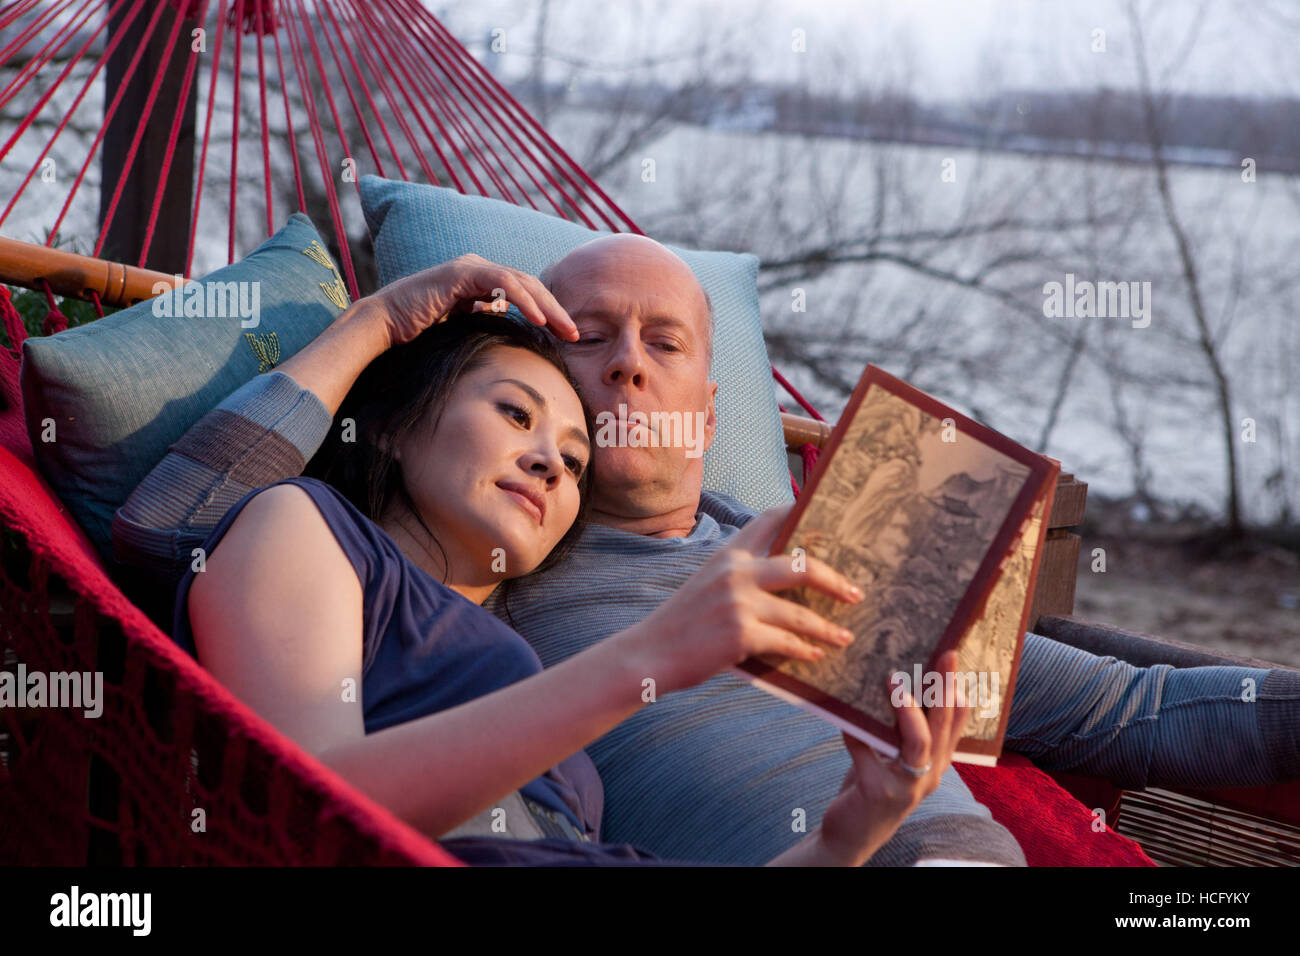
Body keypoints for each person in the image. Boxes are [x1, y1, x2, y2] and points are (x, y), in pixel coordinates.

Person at [116, 245, 1300, 866]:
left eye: (663, 339)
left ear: (708, 393)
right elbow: (189, 529)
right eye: (582, 342)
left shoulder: (830, 541)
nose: (626, 362)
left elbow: (1134, 710)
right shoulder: (482, 565)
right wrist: (388, 316)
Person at [146, 302, 972, 865]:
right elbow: (299, 807)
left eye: (575, 461)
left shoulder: (528, 647)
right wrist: (649, 652)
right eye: (514, 414)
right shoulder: (306, 524)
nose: (549, 460)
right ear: (392, 423)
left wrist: (854, 829)